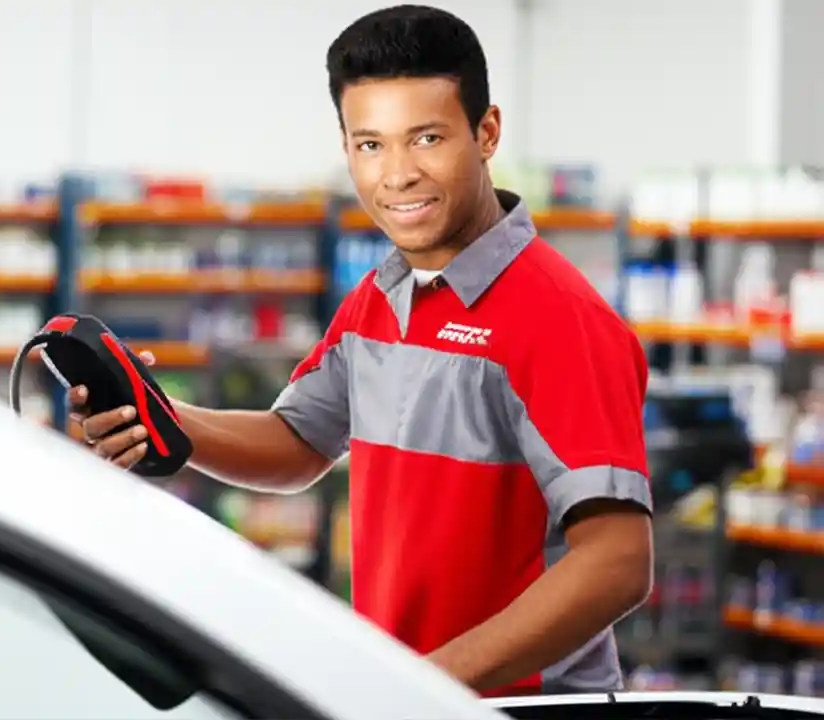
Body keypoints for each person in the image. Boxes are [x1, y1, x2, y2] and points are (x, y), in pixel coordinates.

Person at [69, 4, 653, 698]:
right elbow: (298, 445)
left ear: (486, 132)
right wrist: (160, 416)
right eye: (371, 144)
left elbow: (617, 562)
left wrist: (420, 690)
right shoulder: (379, 297)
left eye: (427, 137)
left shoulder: (560, 319)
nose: (397, 174)